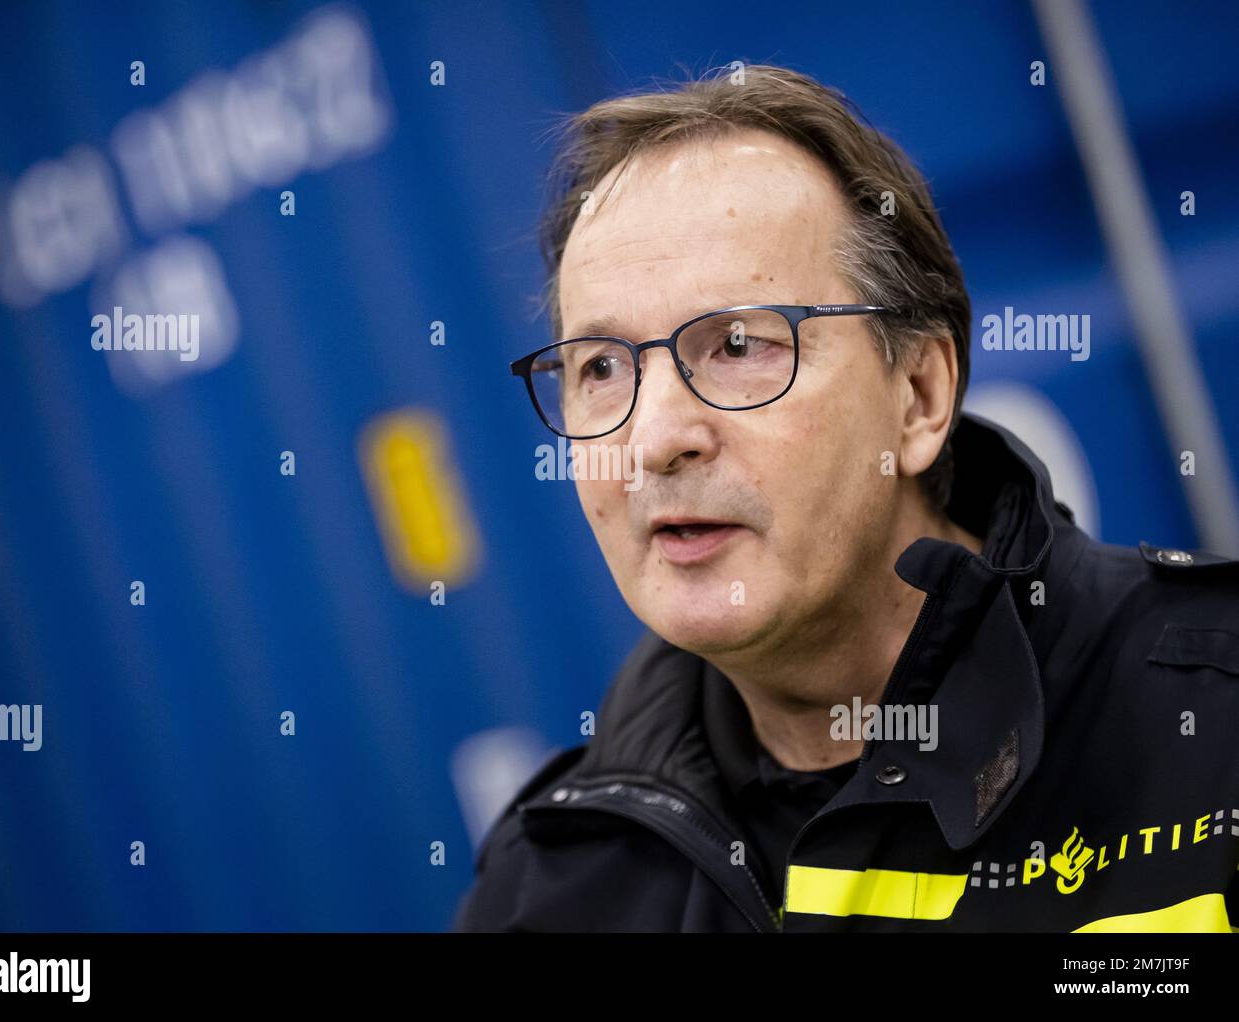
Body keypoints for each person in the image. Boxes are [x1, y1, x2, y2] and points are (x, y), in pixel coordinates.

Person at [454, 65, 1239, 932]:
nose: (654, 439)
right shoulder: (551, 889)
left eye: (740, 344)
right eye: (601, 367)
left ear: (919, 397)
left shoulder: (1212, 716)